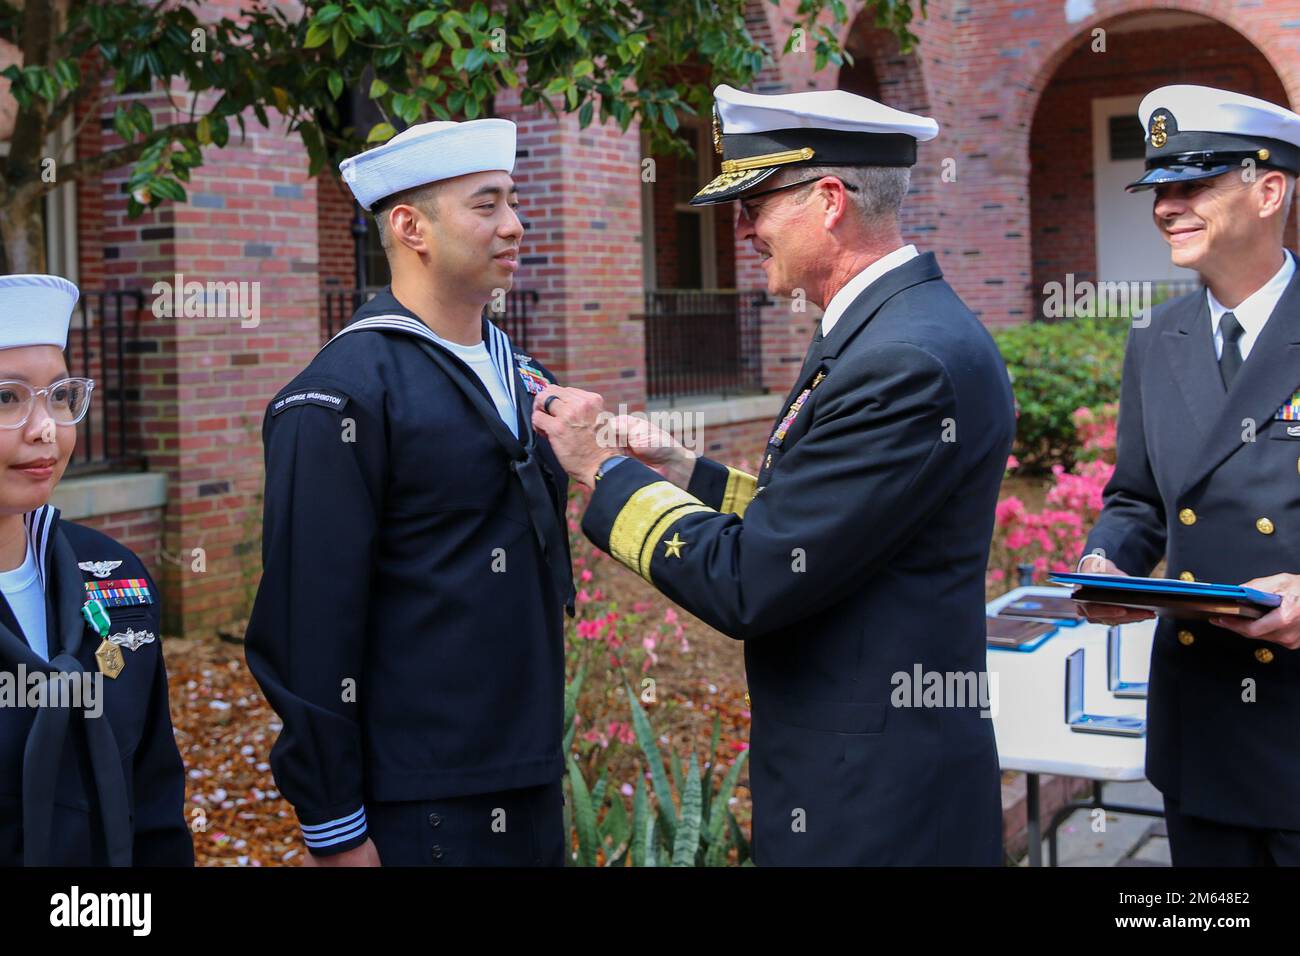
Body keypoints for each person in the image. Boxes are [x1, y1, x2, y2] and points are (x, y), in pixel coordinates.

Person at [533, 86, 1016, 865]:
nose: (743, 228)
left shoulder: (903, 360)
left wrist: (601, 468)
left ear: (829, 200)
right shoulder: (885, 329)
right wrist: (686, 471)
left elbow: (753, 581)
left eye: (755, 201)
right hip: (869, 774)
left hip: (877, 804)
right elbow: (824, 523)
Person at [245, 119, 574, 867]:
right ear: (409, 226)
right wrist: (335, 825)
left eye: (513, 202)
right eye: (486, 205)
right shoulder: (341, 396)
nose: (515, 226)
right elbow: (308, 621)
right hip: (421, 798)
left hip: (525, 769)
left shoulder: (520, 374)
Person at [1079, 85, 1300, 866]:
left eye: (1193, 185)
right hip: (1202, 726)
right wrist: (1107, 562)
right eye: (1157, 190)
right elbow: (1136, 496)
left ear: (1269, 190)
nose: (1166, 206)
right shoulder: (1156, 334)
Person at [0, 274, 192, 866]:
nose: (46, 429)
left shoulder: (115, 576)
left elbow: (155, 794)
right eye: (6, 398)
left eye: (59, 395)